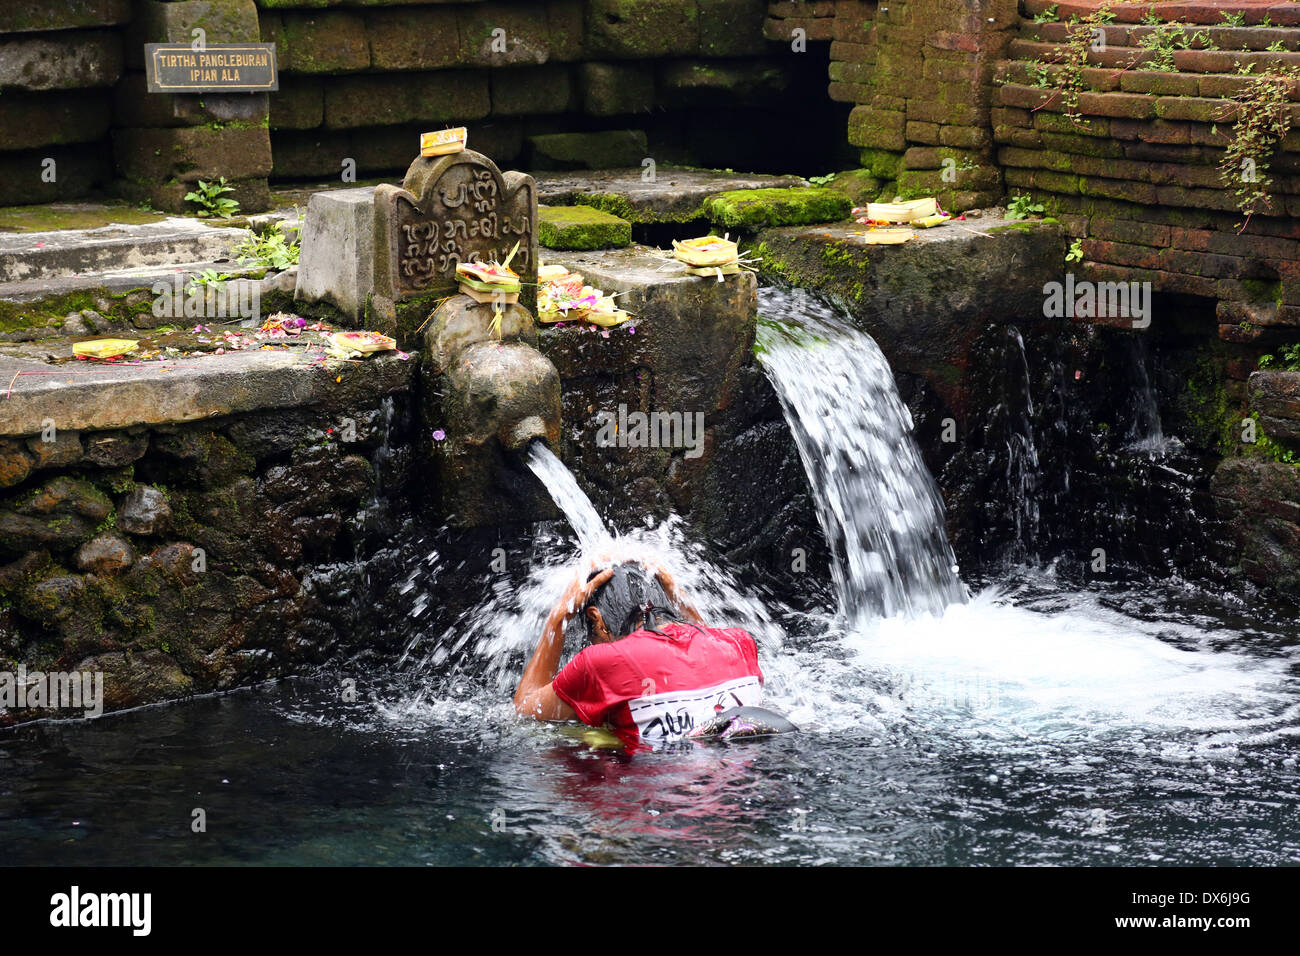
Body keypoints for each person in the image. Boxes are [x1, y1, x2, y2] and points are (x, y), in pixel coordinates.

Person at [513, 560, 770, 749]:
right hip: (744, 788)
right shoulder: (738, 642)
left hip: (657, 802)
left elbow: (526, 708)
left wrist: (558, 618)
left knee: (576, 742)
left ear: (596, 619)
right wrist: (679, 597)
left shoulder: (602, 661)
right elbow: (705, 641)